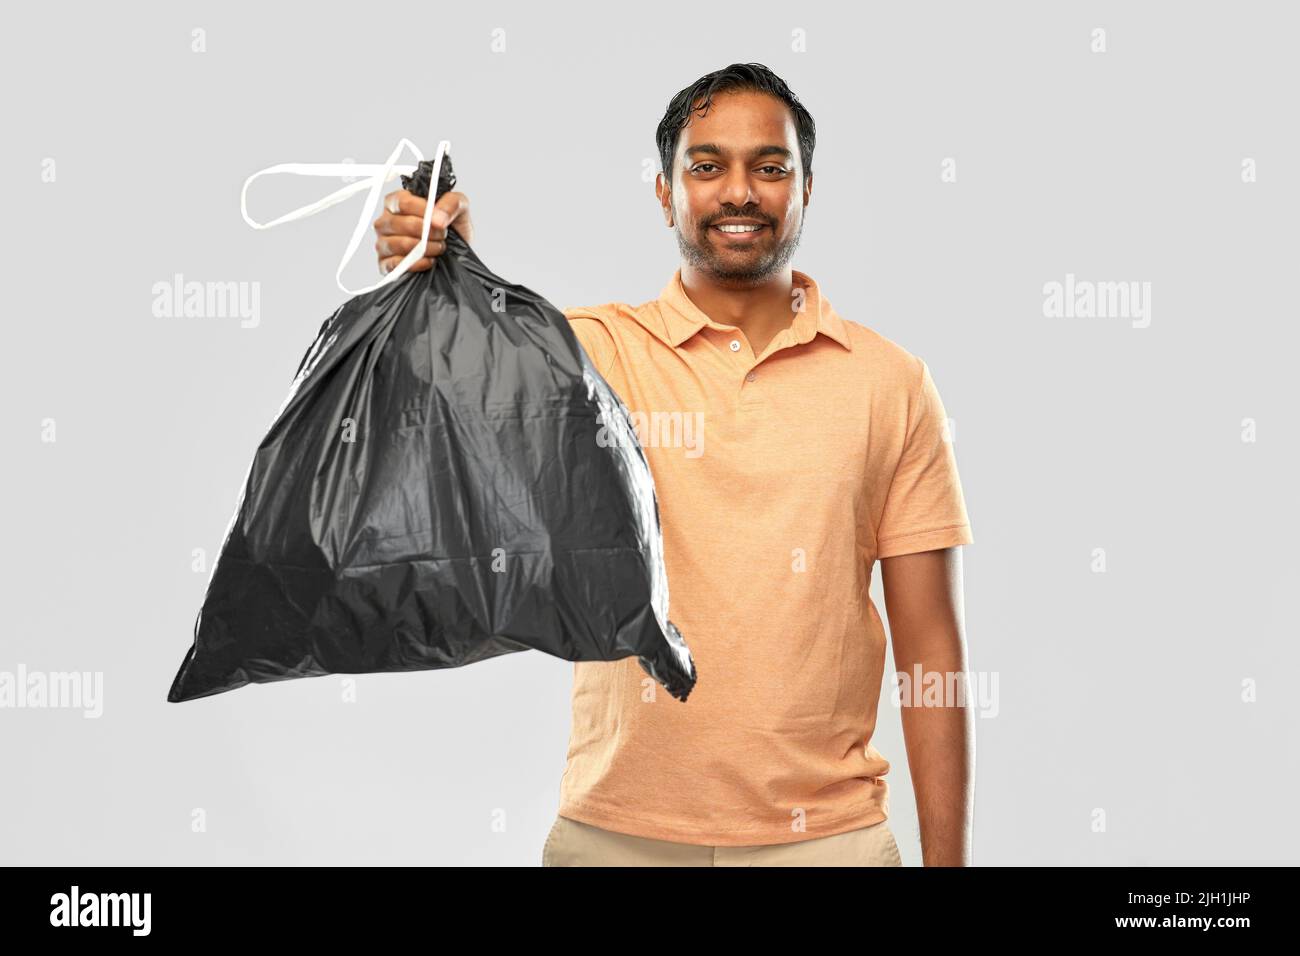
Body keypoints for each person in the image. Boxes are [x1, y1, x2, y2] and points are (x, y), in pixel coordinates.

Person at [372, 63, 975, 867]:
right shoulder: (590, 353)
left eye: (770, 167)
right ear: (664, 192)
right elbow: (456, 402)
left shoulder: (888, 382)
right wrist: (438, 269)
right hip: (615, 838)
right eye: (706, 166)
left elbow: (930, 646)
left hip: (828, 843)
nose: (740, 192)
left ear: (805, 187)